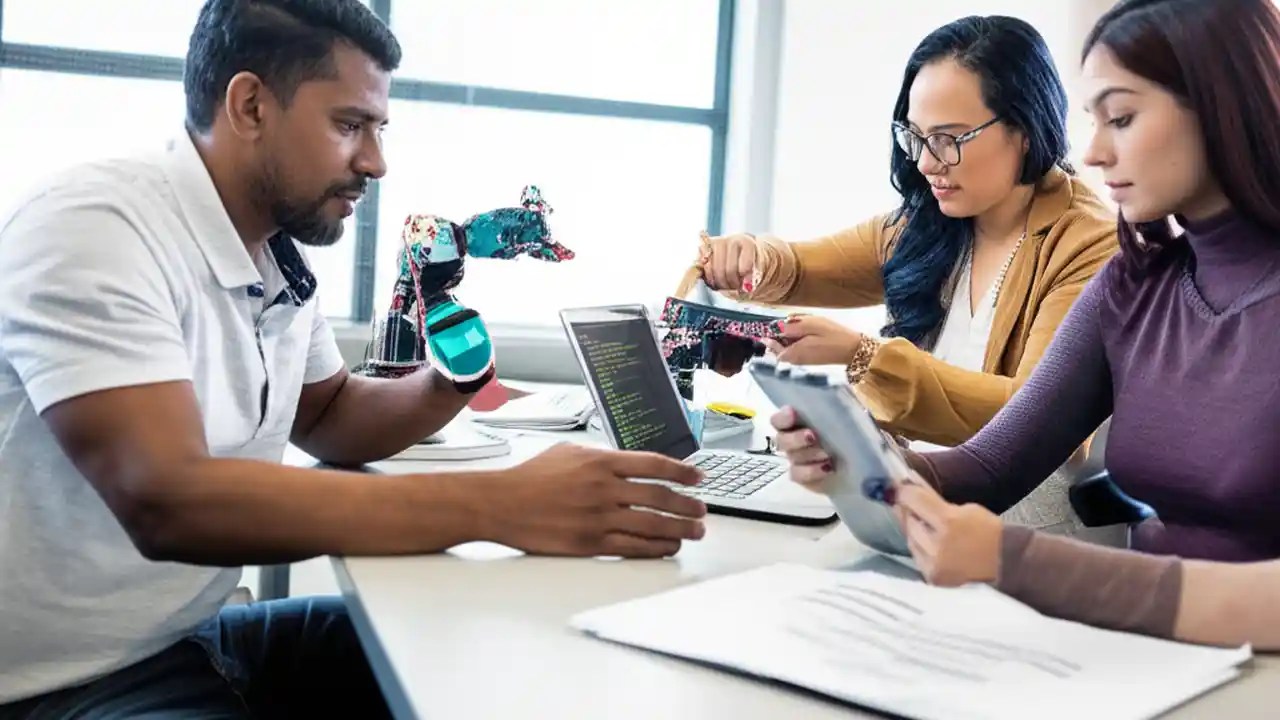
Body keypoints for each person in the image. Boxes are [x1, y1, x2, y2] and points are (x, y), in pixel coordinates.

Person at [0, 1, 705, 716]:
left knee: (503, 651)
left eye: (378, 129)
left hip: (186, 639)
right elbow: (168, 500)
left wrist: (453, 379)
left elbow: (329, 414)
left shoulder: (270, 249)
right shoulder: (93, 226)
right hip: (60, 685)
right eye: (349, 125)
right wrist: (502, 504)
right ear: (249, 105)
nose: (375, 161)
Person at [772, 0, 1280, 650]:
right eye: (1094, 120)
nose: (1092, 152)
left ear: (1222, 106)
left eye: (1121, 117)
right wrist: (868, 463)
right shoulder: (1133, 284)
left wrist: (1020, 562)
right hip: (1149, 659)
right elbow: (991, 465)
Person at [686, 15, 1118, 452]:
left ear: (1023, 130)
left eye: (948, 139)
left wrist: (864, 357)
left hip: (1017, 518)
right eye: (915, 137)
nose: (926, 163)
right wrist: (749, 258)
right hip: (913, 503)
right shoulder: (925, 226)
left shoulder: (1091, 246)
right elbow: (796, 268)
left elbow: (1036, 416)